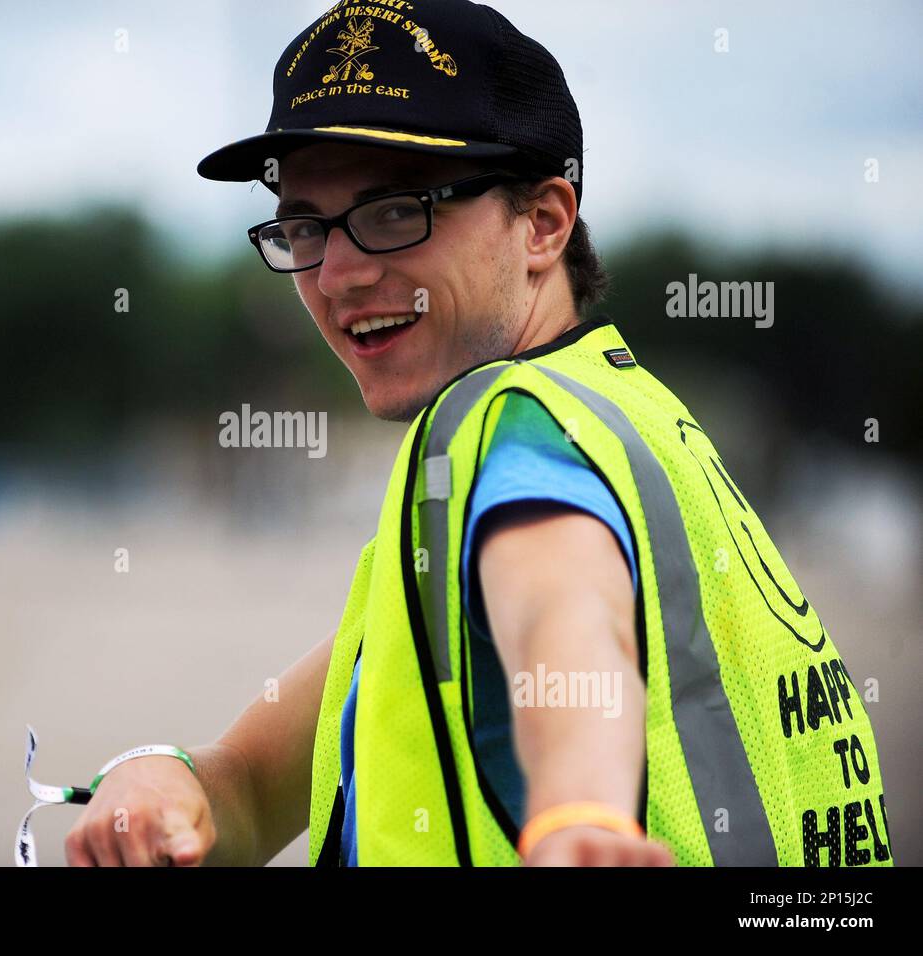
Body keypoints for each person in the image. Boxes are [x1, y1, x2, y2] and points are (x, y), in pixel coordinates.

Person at [62, 0, 892, 867]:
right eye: (306, 226)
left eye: (394, 212)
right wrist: (158, 782)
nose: (339, 274)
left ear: (543, 222)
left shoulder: (506, 430)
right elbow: (255, 786)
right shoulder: (629, 414)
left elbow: (562, 610)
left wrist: (580, 813)